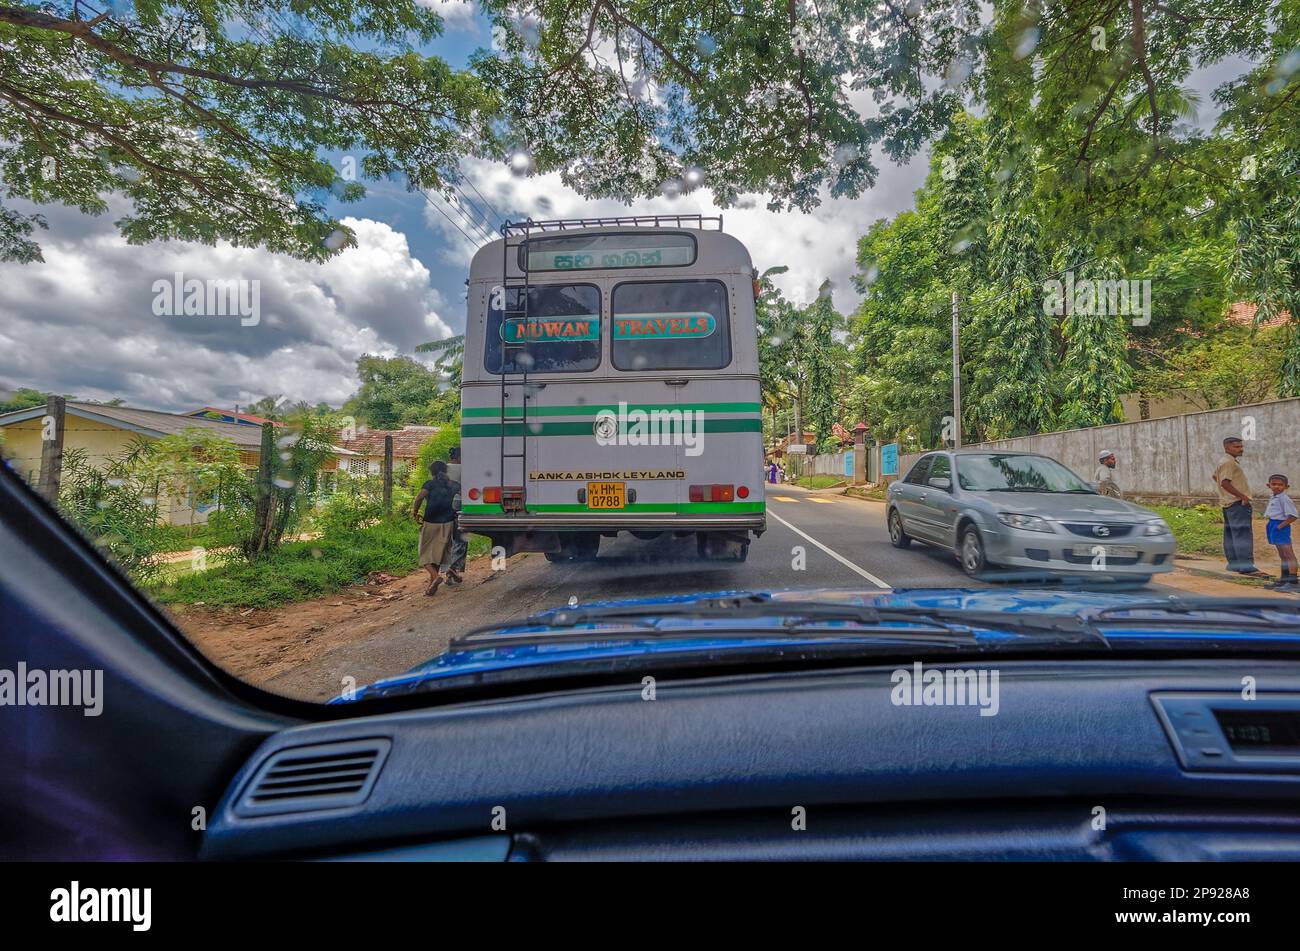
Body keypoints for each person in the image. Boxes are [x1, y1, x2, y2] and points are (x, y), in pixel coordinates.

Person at [1213, 436, 1264, 576]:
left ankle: (1234, 564)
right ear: (1227, 448)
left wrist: (1226, 493)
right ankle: (1247, 567)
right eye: (1236, 447)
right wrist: (1242, 496)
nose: (1241, 449)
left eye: (1241, 446)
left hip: (1228, 503)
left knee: (1231, 535)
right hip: (1237, 503)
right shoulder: (1229, 462)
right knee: (1242, 535)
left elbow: (1215, 477)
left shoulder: (1224, 461)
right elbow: (1224, 482)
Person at [413, 460, 459, 596]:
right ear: (446, 471)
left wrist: (415, 512)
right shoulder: (453, 485)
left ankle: (436, 576)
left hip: (431, 522)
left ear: (432, 472)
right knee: (438, 555)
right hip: (448, 522)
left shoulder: (430, 484)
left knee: (425, 555)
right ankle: (431, 586)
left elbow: (419, 497)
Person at [1265, 474, 1298, 589]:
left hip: (1281, 526)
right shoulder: (1274, 497)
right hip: (1273, 524)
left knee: (1288, 553)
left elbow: (1293, 516)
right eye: (1274, 484)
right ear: (1268, 485)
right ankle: (1284, 579)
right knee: (1282, 554)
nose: (1277, 487)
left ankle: (1293, 581)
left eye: (1280, 485)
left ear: (1286, 486)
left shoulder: (1285, 499)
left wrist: (1280, 527)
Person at [446, 446, 466, 584]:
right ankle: (454, 568)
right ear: (459, 457)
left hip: (442, 505)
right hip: (458, 503)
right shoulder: (463, 469)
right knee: (460, 537)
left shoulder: (442, 469)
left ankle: (449, 570)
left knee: (448, 538)